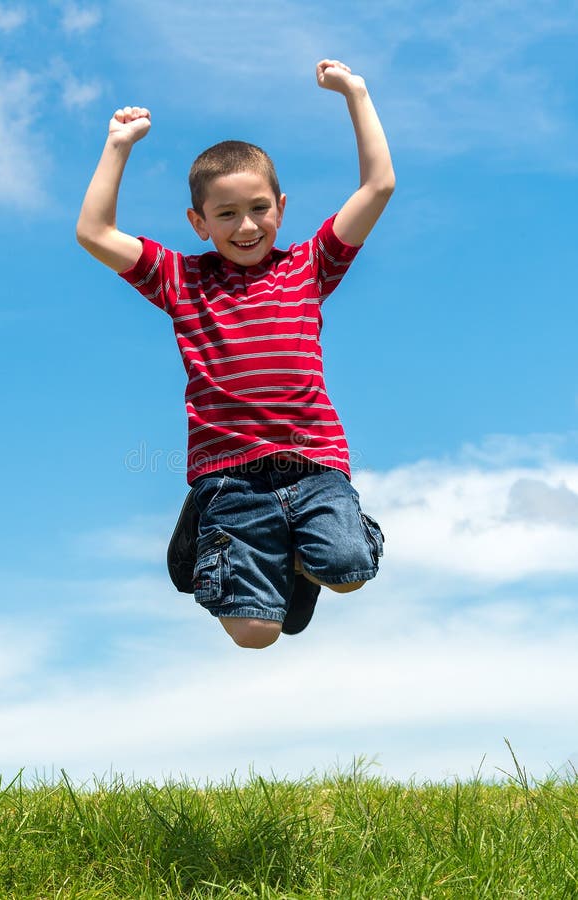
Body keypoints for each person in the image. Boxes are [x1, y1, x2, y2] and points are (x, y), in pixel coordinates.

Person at [76, 59, 394, 649]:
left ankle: (296, 558)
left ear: (281, 207)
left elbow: (378, 187)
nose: (246, 225)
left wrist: (356, 93)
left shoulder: (308, 266)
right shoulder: (182, 279)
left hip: (313, 465)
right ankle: (208, 532)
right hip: (230, 477)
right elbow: (94, 233)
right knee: (255, 636)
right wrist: (118, 145)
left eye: (259, 208)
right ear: (199, 223)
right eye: (226, 214)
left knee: (349, 569)